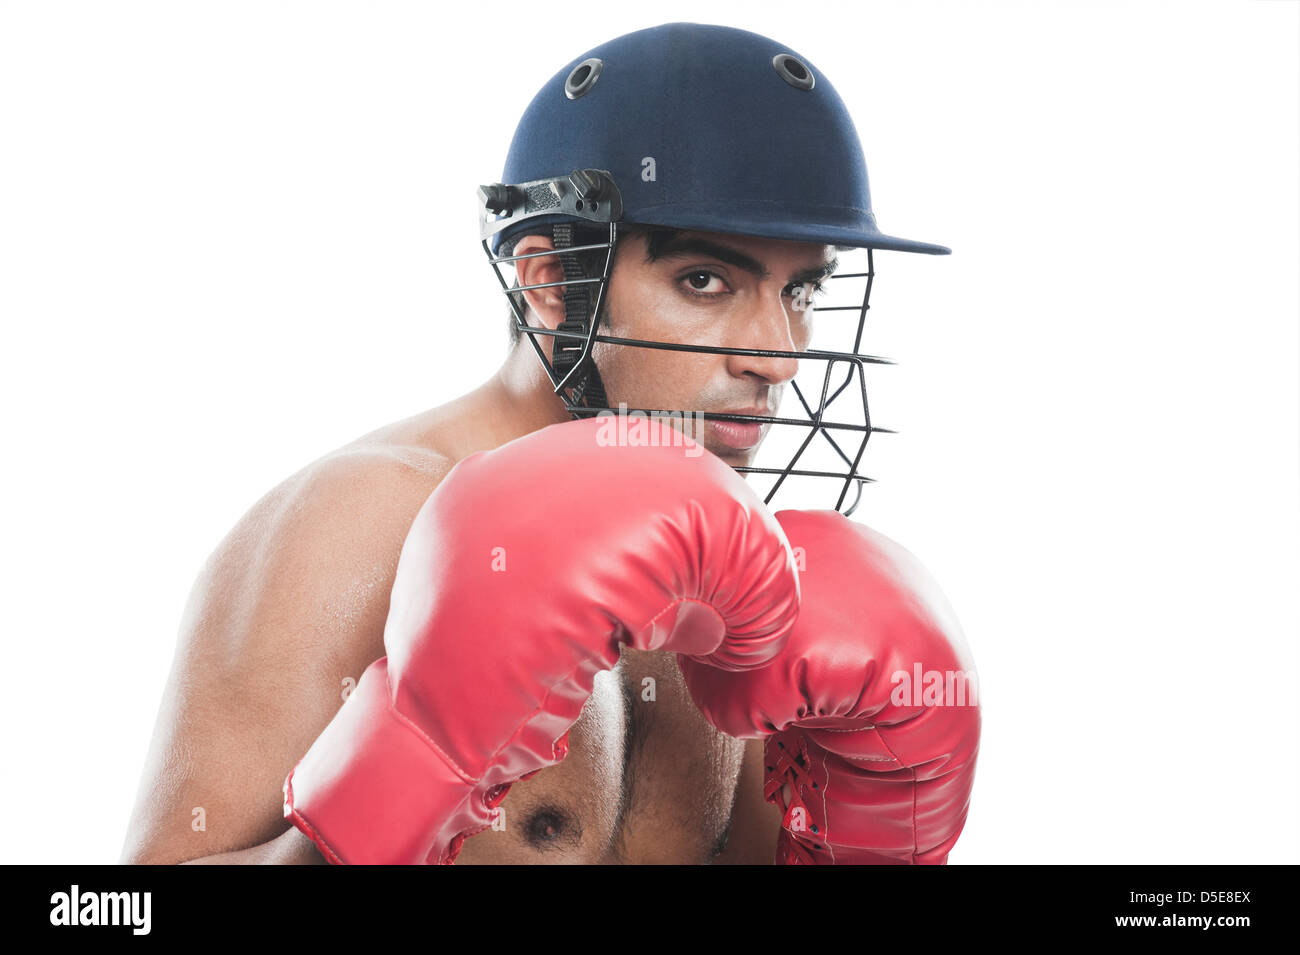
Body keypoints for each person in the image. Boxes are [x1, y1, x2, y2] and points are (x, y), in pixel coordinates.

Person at [121, 21, 979, 866]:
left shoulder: (744, 592)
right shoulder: (360, 524)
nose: (777, 357)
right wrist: (378, 803)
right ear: (551, 283)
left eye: (801, 291)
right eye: (706, 280)